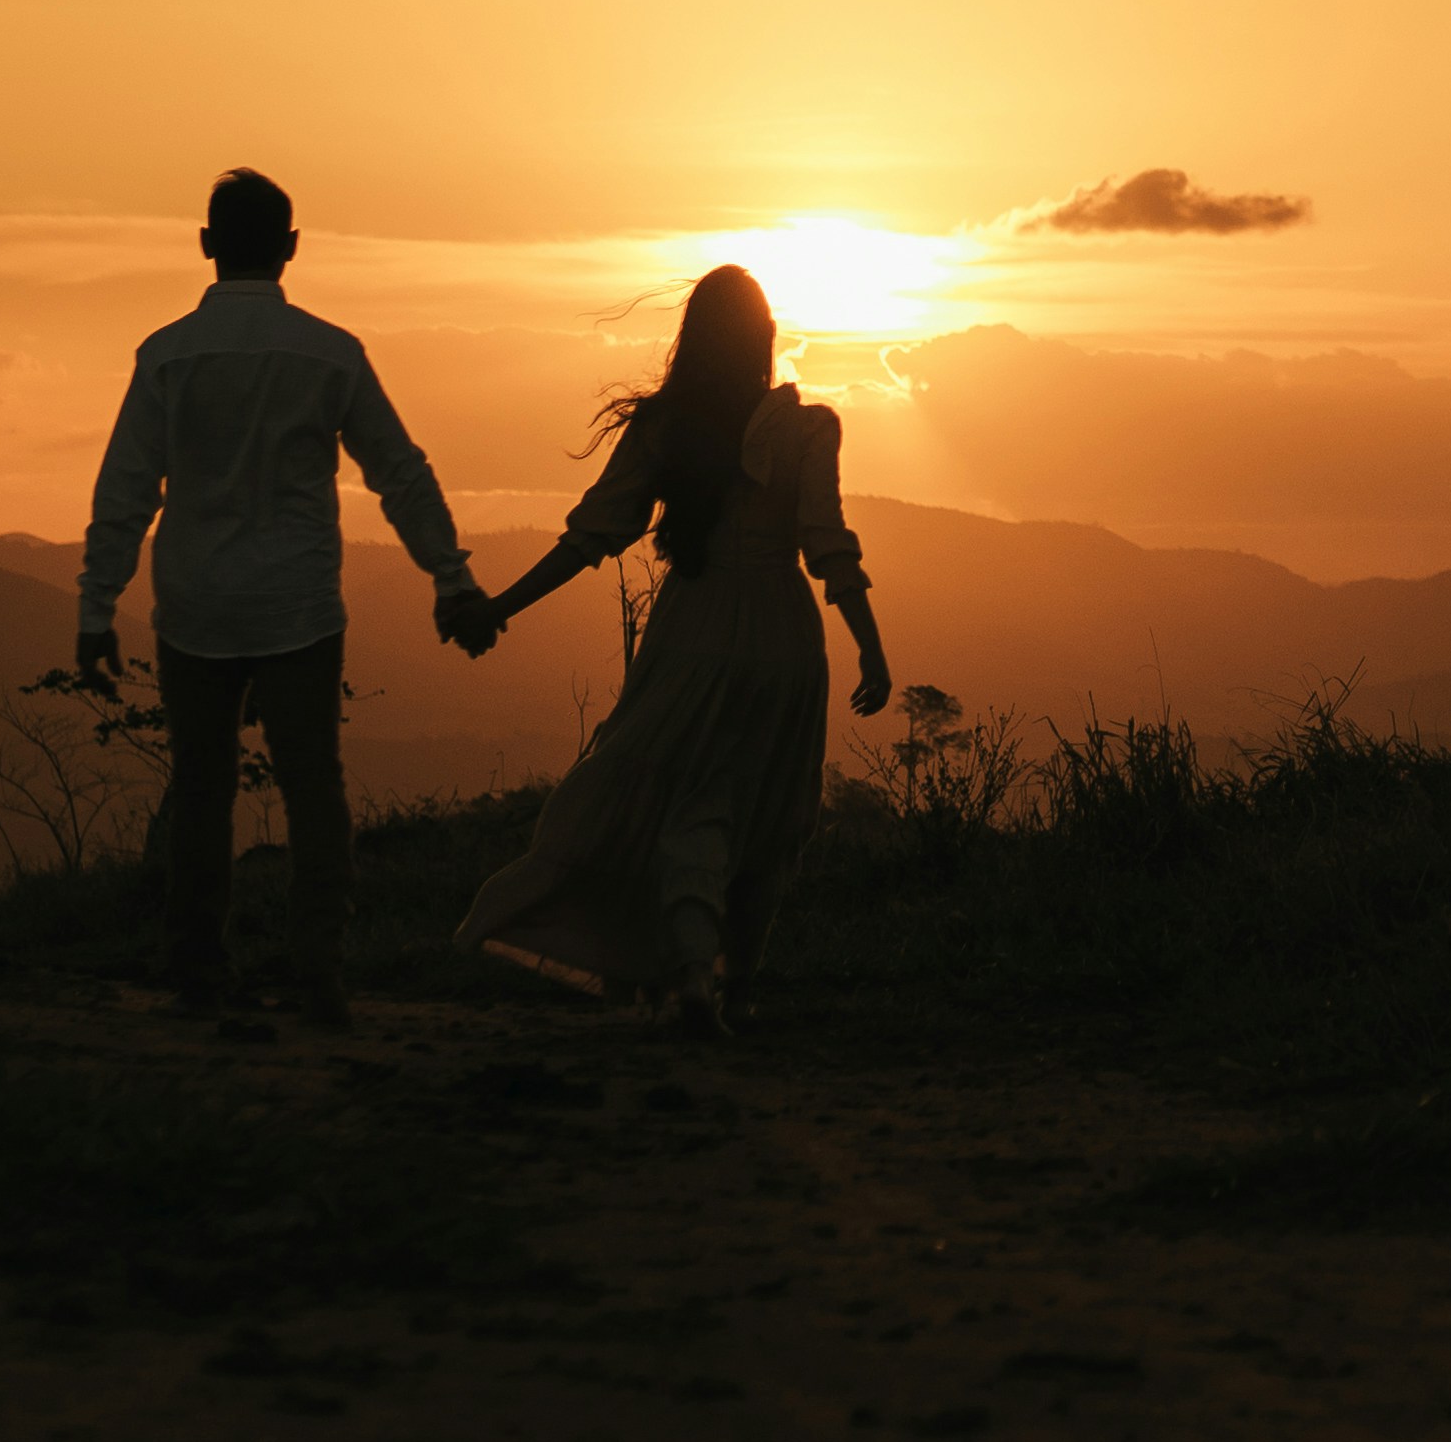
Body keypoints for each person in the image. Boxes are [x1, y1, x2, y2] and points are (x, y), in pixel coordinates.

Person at [73, 167, 489, 1024]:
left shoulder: (166, 356)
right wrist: (449, 576)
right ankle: (318, 973)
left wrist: (96, 606)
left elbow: (126, 488)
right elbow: (399, 474)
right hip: (298, 602)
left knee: (201, 790)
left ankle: (196, 968)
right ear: (291, 248)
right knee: (313, 787)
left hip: (194, 604)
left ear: (207, 244)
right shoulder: (330, 355)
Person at [441, 262, 886, 1038]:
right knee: (769, 814)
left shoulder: (665, 427)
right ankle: (732, 987)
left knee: (691, 802)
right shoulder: (808, 428)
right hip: (783, 635)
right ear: (765, 336)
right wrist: (870, 650)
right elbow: (828, 546)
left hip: (694, 629)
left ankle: (687, 975)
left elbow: (591, 537)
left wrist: (498, 609)